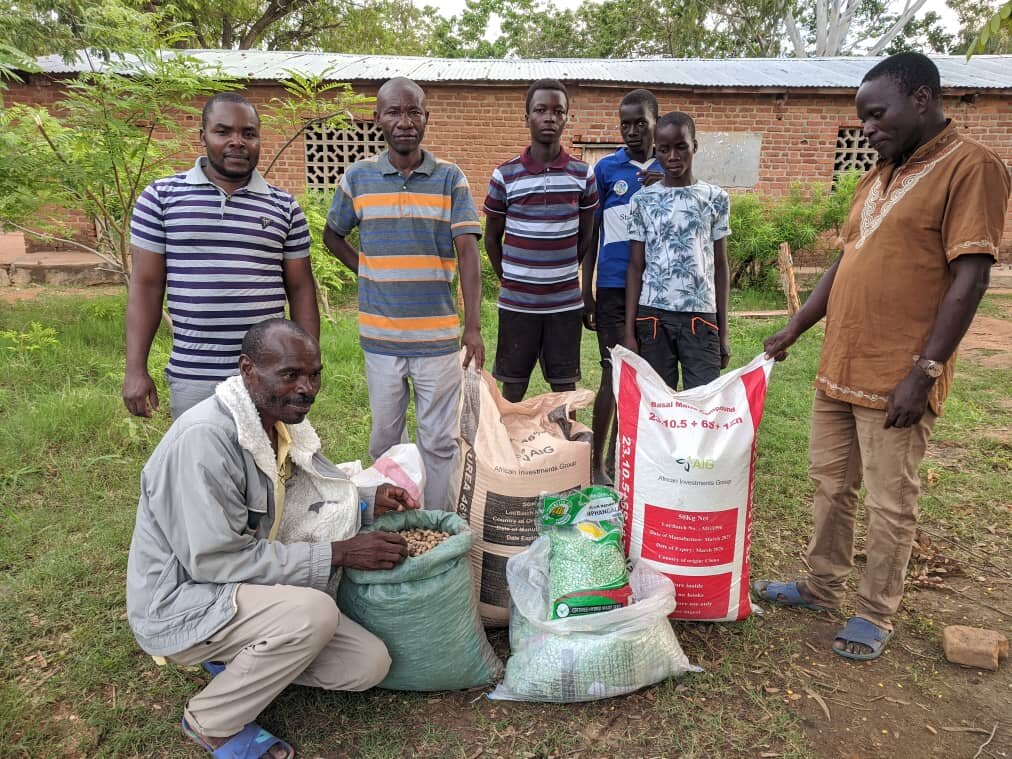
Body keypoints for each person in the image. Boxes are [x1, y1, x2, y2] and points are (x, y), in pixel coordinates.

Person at [753, 52, 1010, 661]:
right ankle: (820, 585)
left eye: (876, 114)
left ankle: (874, 612)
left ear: (920, 98)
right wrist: (794, 328)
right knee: (828, 486)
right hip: (839, 365)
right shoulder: (877, 174)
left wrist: (924, 372)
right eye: (862, 119)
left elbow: (969, 277)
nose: (867, 127)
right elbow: (847, 261)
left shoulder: (971, 168)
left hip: (899, 374)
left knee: (891, 498)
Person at [127, 318, 418, 759]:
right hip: (183, 597)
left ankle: (240, 654)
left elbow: (295, 489)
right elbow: (214, 561)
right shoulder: (205, 440)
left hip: (233, 585)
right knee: (314, 612)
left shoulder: (275, 420)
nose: (306, 388)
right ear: (247, 369)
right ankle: (211, 721)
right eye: (289, 375)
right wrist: (338, 553)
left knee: (367, 664)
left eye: (314, 373)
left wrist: (361, 499)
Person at [324, 77, 483, 511]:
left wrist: (473, 327)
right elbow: (332, 236)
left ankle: (434, 523)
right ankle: (390, 517)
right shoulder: (358, 178)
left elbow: (468, 252)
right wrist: (369, 270)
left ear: (426, 118)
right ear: (377, 120)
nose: (405, 121)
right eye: (394, 112)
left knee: (438, 440)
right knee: (385, 438)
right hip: (381, 339)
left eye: (414, 112)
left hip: (437, 340)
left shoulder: (451, 178)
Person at [124, 92, 320, 420]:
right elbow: (146, 287)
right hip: (194, 374)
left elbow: (301, 289)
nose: (237, 142)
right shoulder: (161, 197)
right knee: (200, 467)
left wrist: (306, 371)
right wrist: (135, 369)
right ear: (202, 136)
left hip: (271, 377)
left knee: (275, 465)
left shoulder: (284, 206)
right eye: (223, 131)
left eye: (248, 133)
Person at [484, 78, 599, 402]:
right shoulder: (505, 175)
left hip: (564, 304)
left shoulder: (582, 174)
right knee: (513, 386)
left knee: (564, 389)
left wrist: (561, 271)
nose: (549, 117)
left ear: (566, 118)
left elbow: (585, 234)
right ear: (527, 117)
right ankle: (507, 449)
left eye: (558, 111)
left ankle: (569, 451)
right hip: (517, 304)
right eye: (540, 110)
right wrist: (511, 278)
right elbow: (492, 238)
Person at [582, 89, 661, 484]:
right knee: (612, 374)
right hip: (613, 287)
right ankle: (597, 466)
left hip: (657, 291)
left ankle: (625, 462)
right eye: (625, 124)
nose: (631, 131)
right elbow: (591, 233)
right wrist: (587, 288)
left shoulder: (671, 166)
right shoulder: (607, 170)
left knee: (650, 377)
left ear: (655, 123)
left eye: (640, 123)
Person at [622, 111, 731, 391]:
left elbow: (720, 266)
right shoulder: (642, 201)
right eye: (664, 149)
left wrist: (723, 332)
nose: (672, 156)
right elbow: (636, 266)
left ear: (694, 145)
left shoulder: (715, 199)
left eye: (681, 146)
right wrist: (630, 330)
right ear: (656, 149)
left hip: (701, 318)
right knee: (659, 406)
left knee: (703, 403)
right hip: (653, 317)